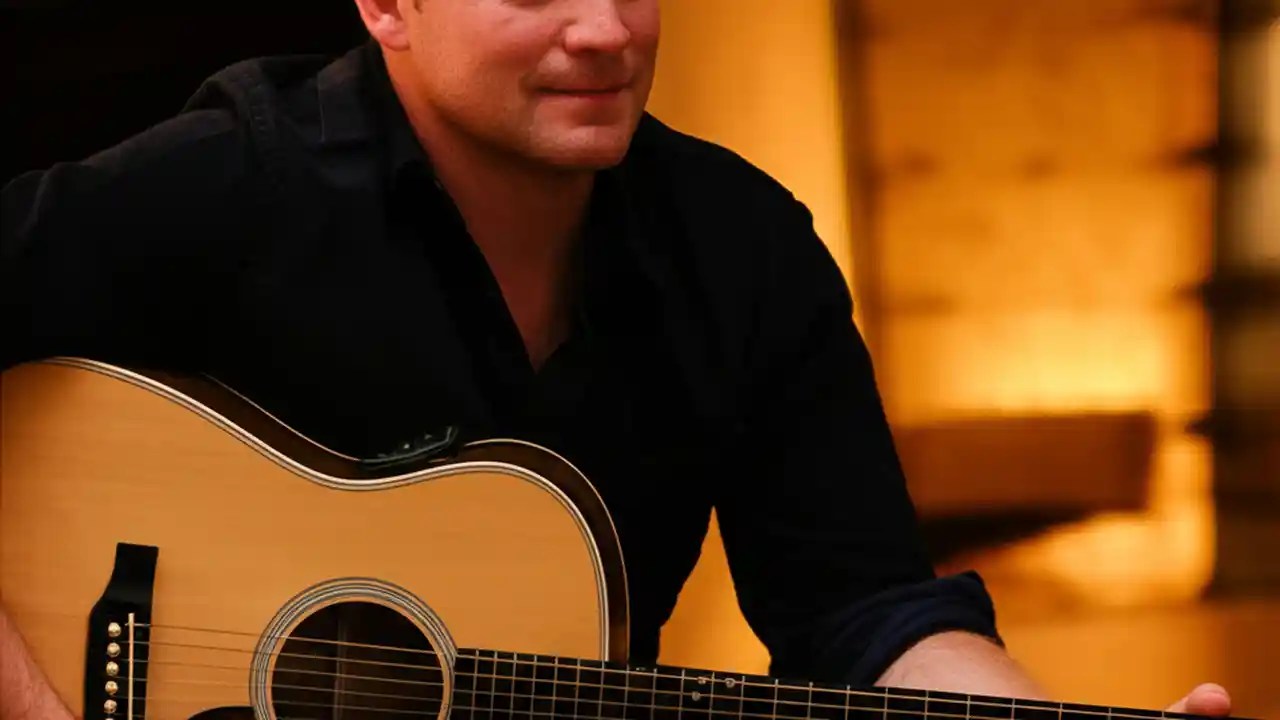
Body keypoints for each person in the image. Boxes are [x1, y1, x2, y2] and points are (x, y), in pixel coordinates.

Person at [0, 1, 1233, 718]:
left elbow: (860, 611)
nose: (603, 30)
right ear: (387, 4)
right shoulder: (231, 184)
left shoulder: (742, 251)